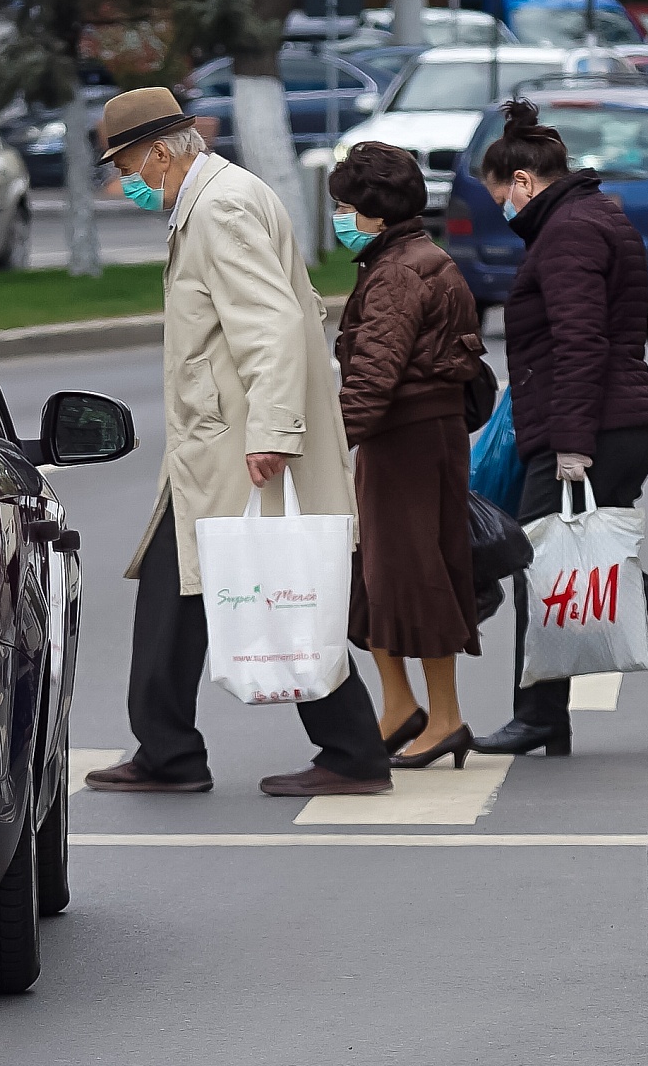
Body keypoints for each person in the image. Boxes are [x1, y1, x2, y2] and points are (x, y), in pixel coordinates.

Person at [80, 88, 394, 798]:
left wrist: (274, 433)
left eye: (128, 164)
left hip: (238, 444)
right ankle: (170, 749)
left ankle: (347, 750)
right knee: (184, 586)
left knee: (274, 590)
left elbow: (273, 325)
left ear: (160, 153)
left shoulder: (217, 207)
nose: (125, 180)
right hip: (217, 443)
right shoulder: (217, 198)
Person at [474, 99, 648, 757]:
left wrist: (570, 441)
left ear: (521, 182)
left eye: (499, 198)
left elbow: (580, 342)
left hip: (593, 429)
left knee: (542, 561)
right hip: (612, 422)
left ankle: (541, 713)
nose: (501, 213)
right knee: (593, 564)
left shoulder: (569, 231)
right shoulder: (588, 216)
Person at [329, 142, 487, 770]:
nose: (340, 219)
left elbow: (375, 374)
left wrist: (325, 441)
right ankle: (400, 706)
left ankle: (444, 717)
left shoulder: (398, 272)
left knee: (417, 575)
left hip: (408, 441)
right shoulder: (412, 258)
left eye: (345, 208)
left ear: (374, 213)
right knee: (377, 578)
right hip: (416, 435)